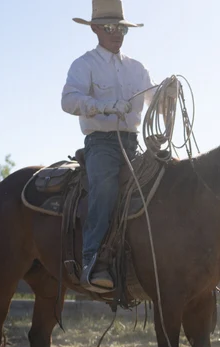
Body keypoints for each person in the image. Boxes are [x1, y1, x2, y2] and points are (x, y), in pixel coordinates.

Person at [61, 0, 155, 292]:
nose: (118, 34)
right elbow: (68, 101)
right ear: (96, 29)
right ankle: (91, 261)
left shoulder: (137, 68)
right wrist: (103, 106)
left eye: (122, 29)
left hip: (133, 144)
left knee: (163, 186)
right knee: (106, 187)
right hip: (102, 143)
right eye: (112, 28)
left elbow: (155, 102)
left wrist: (167, 96)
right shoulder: (84, 65)